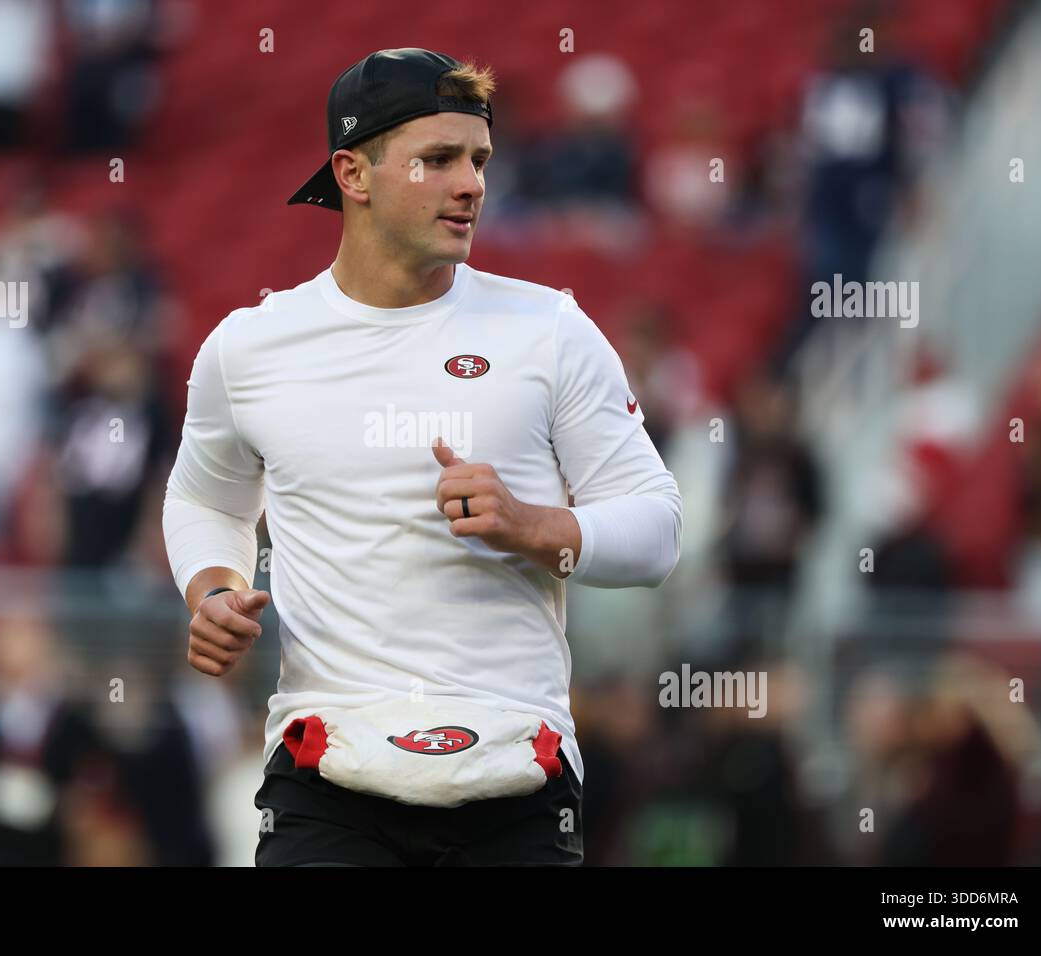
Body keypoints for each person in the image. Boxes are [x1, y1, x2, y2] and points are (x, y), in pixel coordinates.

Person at [161, 48, 683, 866]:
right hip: (326, 777)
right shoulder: (250, 347)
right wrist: (215, 589)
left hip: (516, 774)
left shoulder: (550, 330)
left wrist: (532, 525)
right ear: (353, 174)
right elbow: (206, 500)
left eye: (477, 159)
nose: (471, 183)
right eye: (437, 160)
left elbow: (658, 531)